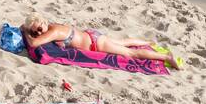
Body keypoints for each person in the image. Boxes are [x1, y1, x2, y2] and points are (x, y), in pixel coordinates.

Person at [13, 13, 183, 69]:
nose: (40, 32)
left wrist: (26, 31)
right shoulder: (52, 25)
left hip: (96, 43)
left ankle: (167, 57)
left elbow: (34, 44)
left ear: (43, 22)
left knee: (132, 54)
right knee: (122, 42)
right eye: (37, 31)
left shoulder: (54, 30)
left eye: (40, 28)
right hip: (93, 36)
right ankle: (147, 42)